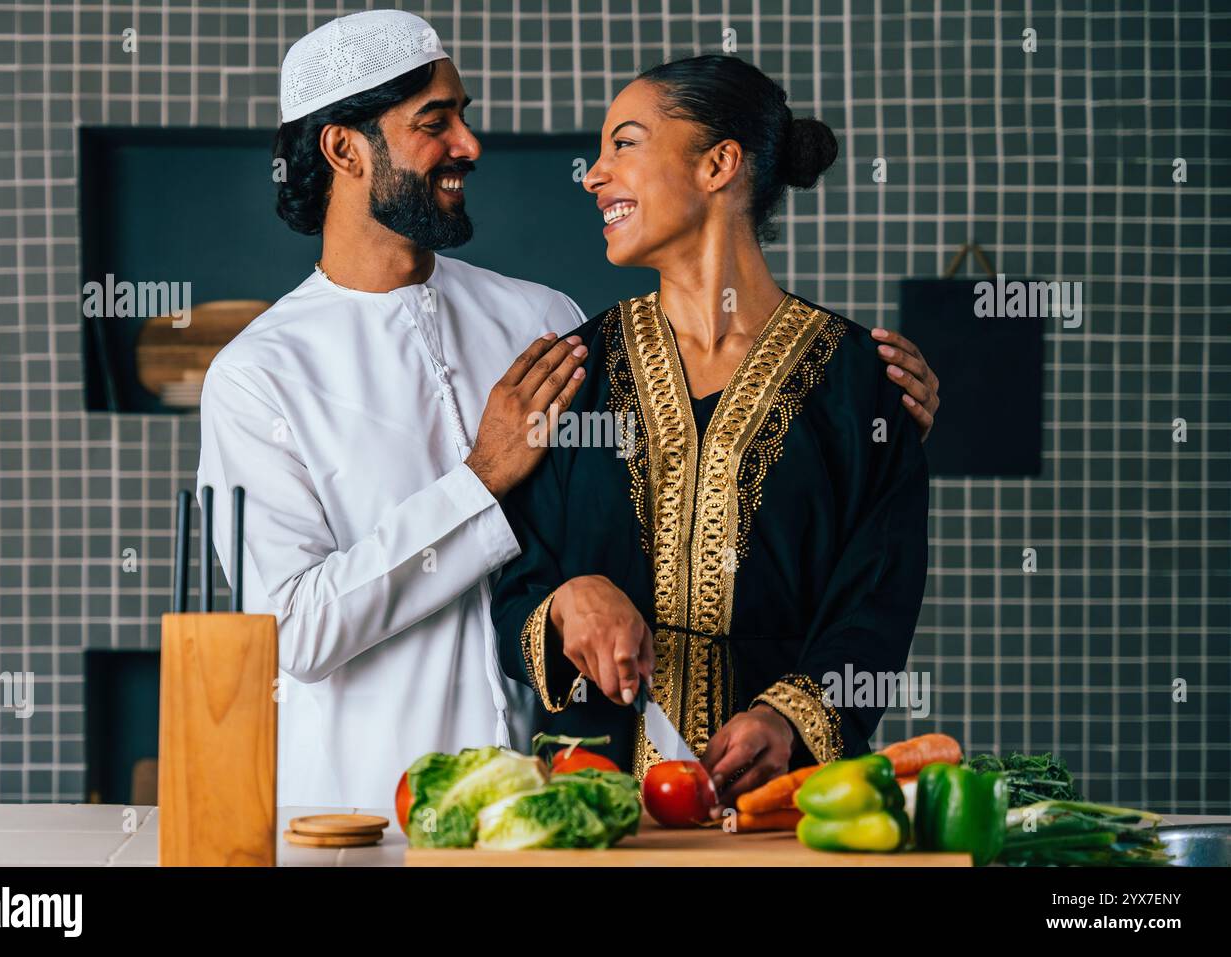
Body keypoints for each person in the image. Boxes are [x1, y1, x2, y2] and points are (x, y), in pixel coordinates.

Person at [200, 12, 940, 810]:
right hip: (372, 804)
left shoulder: (544, 324)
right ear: (344, 148)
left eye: (465, 115)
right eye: (435, 123)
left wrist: (868, 415)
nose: (470, 146)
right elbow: (293, 631)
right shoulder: (260, 375)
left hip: (575, 797)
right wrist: (484, 485)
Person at [492, 54, 932, 806]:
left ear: (719, 163)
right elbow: (511, 589)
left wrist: (787, 717)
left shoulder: (865, 385)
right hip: (593, 814)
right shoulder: (574, 373)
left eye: (623, 144)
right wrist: (568, 601)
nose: (593, 176)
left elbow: (876, 607)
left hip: (787, 813)